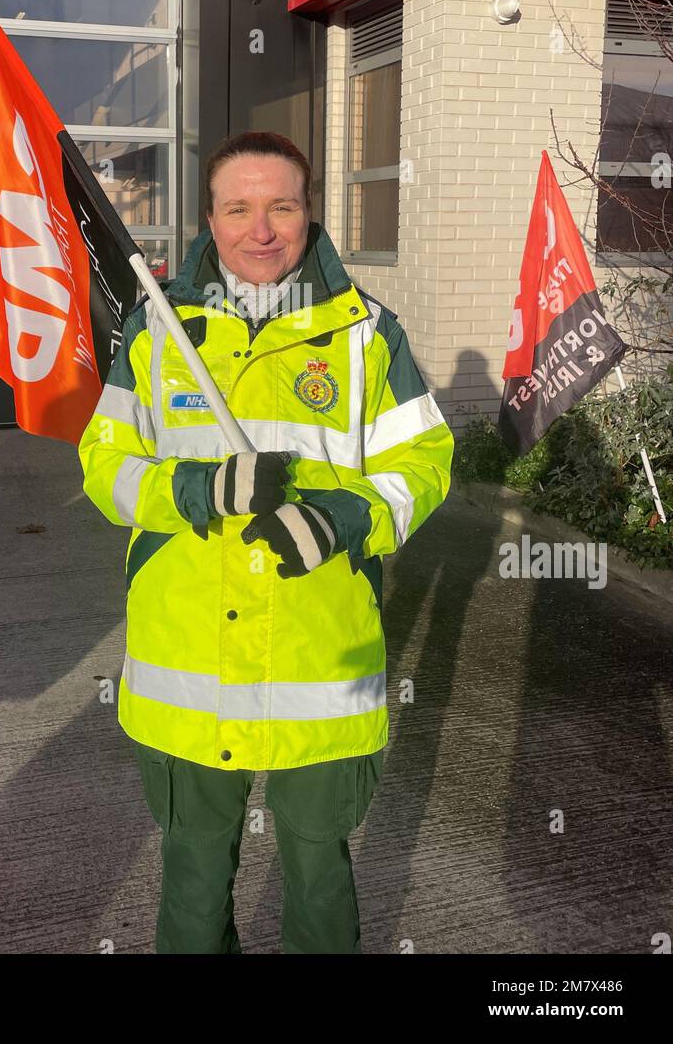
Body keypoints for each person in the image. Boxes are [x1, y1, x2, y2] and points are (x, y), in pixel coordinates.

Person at [78, 130, 454, 953]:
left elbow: (424, 463)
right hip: (188, 671)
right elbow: (104, 466)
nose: (261, 229)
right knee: (193, 872)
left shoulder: (367, 336)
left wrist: (343, 519)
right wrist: (191, 490)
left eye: (281, 206)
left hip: (318, 667)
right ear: (209, 220)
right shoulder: (156, 331)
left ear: (308, 212)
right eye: (238, 208)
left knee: (319, 876)